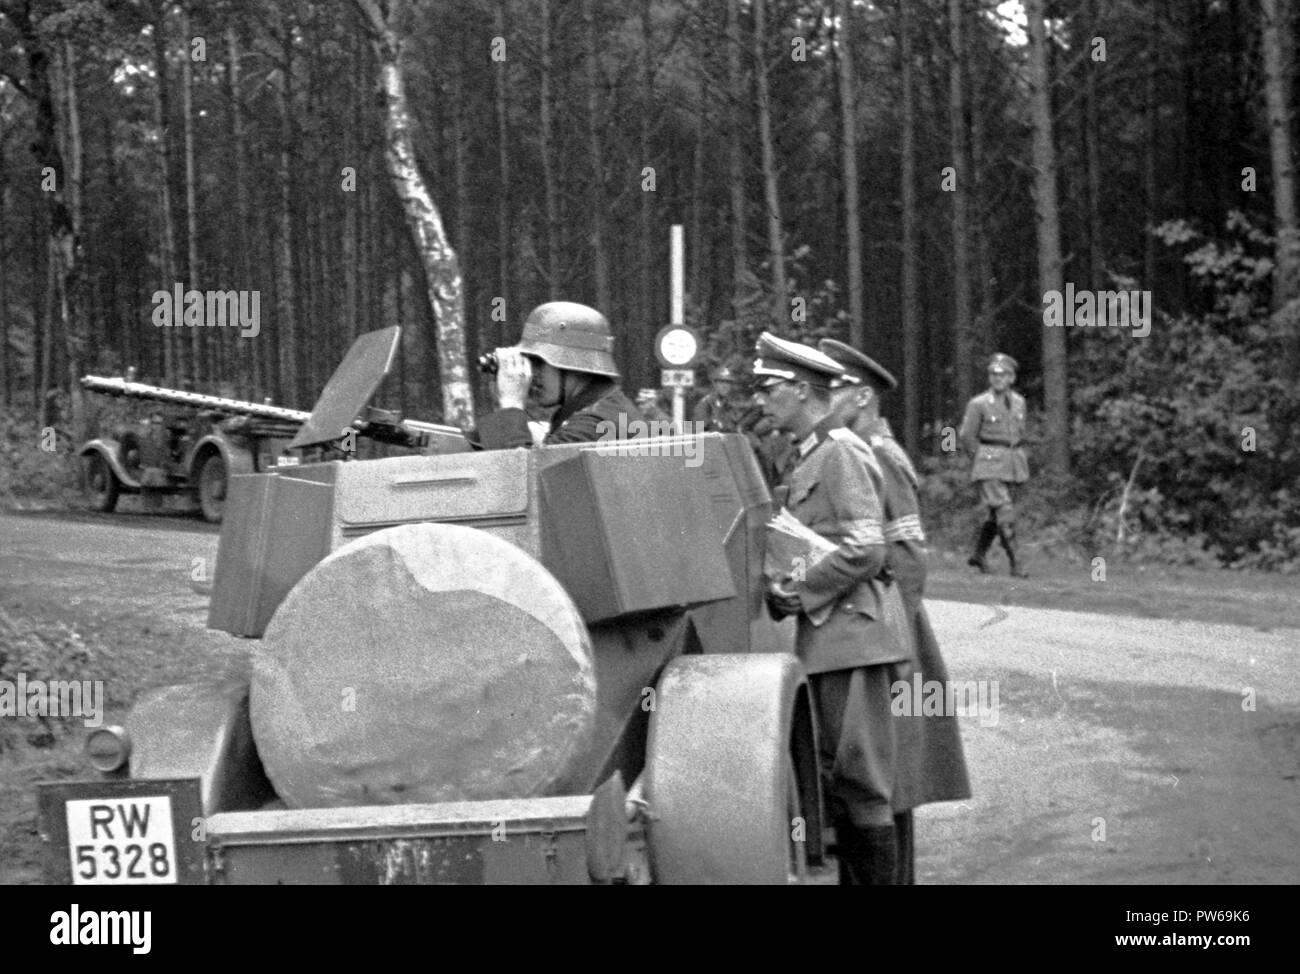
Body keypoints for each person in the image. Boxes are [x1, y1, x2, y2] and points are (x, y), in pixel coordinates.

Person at [753, 331, 915, 885]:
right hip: (831, 639)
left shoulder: (842, 450)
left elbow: (867, 547)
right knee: (841, 782)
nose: (760, 399)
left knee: (863, 784)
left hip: (853, 638)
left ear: (801, 390)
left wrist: (801, 592)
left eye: (769, 387)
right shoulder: (811, 454)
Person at [820, 338, 973, 884]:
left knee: (886, 778)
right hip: (881, 631)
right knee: (882, 776)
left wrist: (895, 645)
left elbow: (909, 557)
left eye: (832, 388)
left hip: (892, 634)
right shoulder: (852, 451)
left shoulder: (881, 454)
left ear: (861, 396)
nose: (823, 398)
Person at [474, 302, 642, 449]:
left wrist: (511, 403)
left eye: (538, 362)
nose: (532, 375)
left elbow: (520, 477)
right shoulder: (606, 408)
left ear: (574, 365)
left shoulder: (593, 425)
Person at [958, 353, 1030, 577]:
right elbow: (967, 436)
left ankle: (978, 555)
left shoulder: (1019, 402)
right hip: (989, 461)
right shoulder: (978, 404)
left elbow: (1019, 432)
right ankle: (1017, 563)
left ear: (1011, 378)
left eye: (1003, 375)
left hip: (1013, 462)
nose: (997, 379)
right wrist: (981, 458)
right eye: (993, 375)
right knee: (1004, 510)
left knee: (996, 515)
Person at [692, 365, 746, 433]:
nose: (725, 386)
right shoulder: (705, 404)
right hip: (710, 442)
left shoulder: (729, 406)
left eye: (728, 382)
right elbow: (698, 432)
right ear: (714, 384)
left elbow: (736, 430)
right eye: (721, 382)